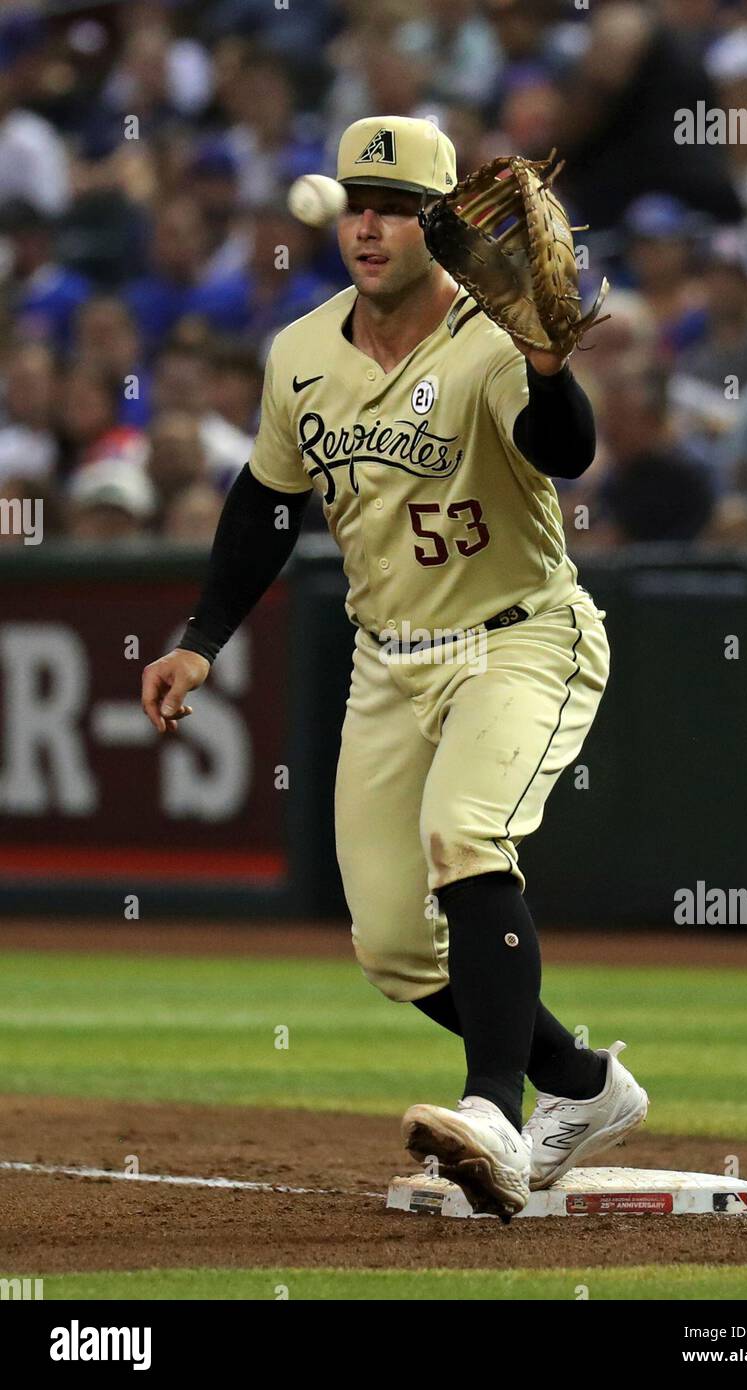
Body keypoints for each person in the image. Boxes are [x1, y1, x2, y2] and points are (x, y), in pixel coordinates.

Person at [140, 116, 648, 1220]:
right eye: (356, 206)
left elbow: (565, 451)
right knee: (393, 946)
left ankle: (495, 1114)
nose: (368, 228)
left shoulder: (491, 338)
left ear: (442, 225)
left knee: (465, 836)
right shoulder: (301, 352)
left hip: (519, 638)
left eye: (397, 210)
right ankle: (582, 1083)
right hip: (388, 660)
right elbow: (266, 503)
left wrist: (547, 362)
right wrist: (200, 636)